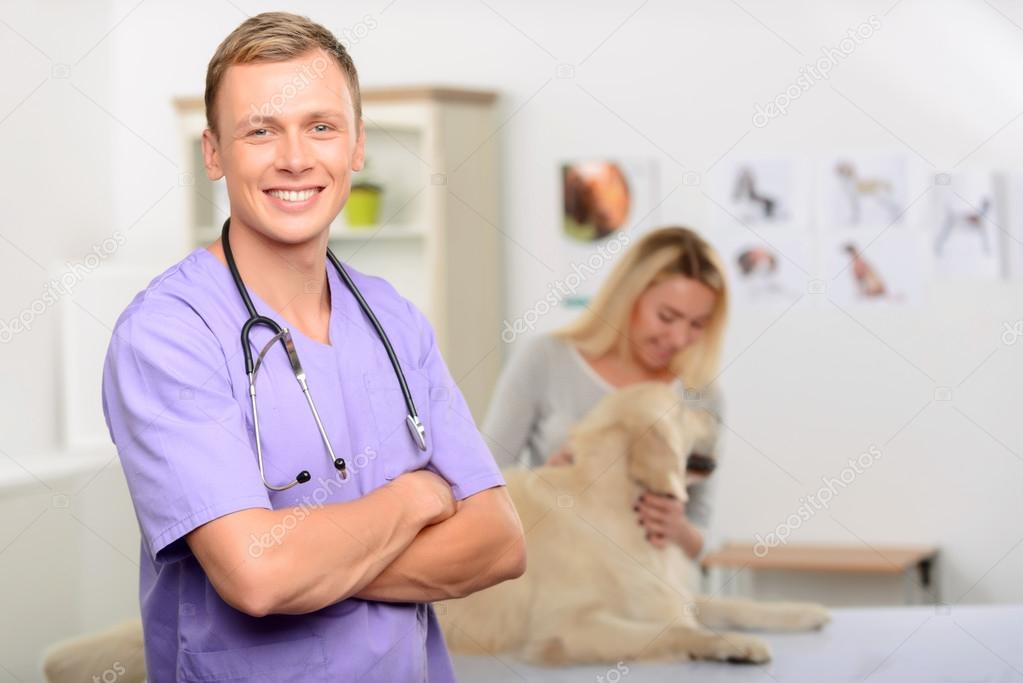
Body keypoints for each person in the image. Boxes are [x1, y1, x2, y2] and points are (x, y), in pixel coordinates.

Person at [100, 12, 525, 682]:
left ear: (355, 144)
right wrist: (415, 499)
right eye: (260, 129)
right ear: (213, 152)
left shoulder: (392, 319)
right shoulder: (168, 333)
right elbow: (259, 577)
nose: (295, 158)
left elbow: (499, 541)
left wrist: (318, 560)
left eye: (321, 126)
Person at [482, 226, 728, 559]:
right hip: (557, 573)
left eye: (697, 324)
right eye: (667, 316)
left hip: (648, 586)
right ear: (629, 297)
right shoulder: (545, 358)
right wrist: (542, 484)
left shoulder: (701, 395)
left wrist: (679, 530)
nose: (678, 338)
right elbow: (482, 486)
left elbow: (703, 535)